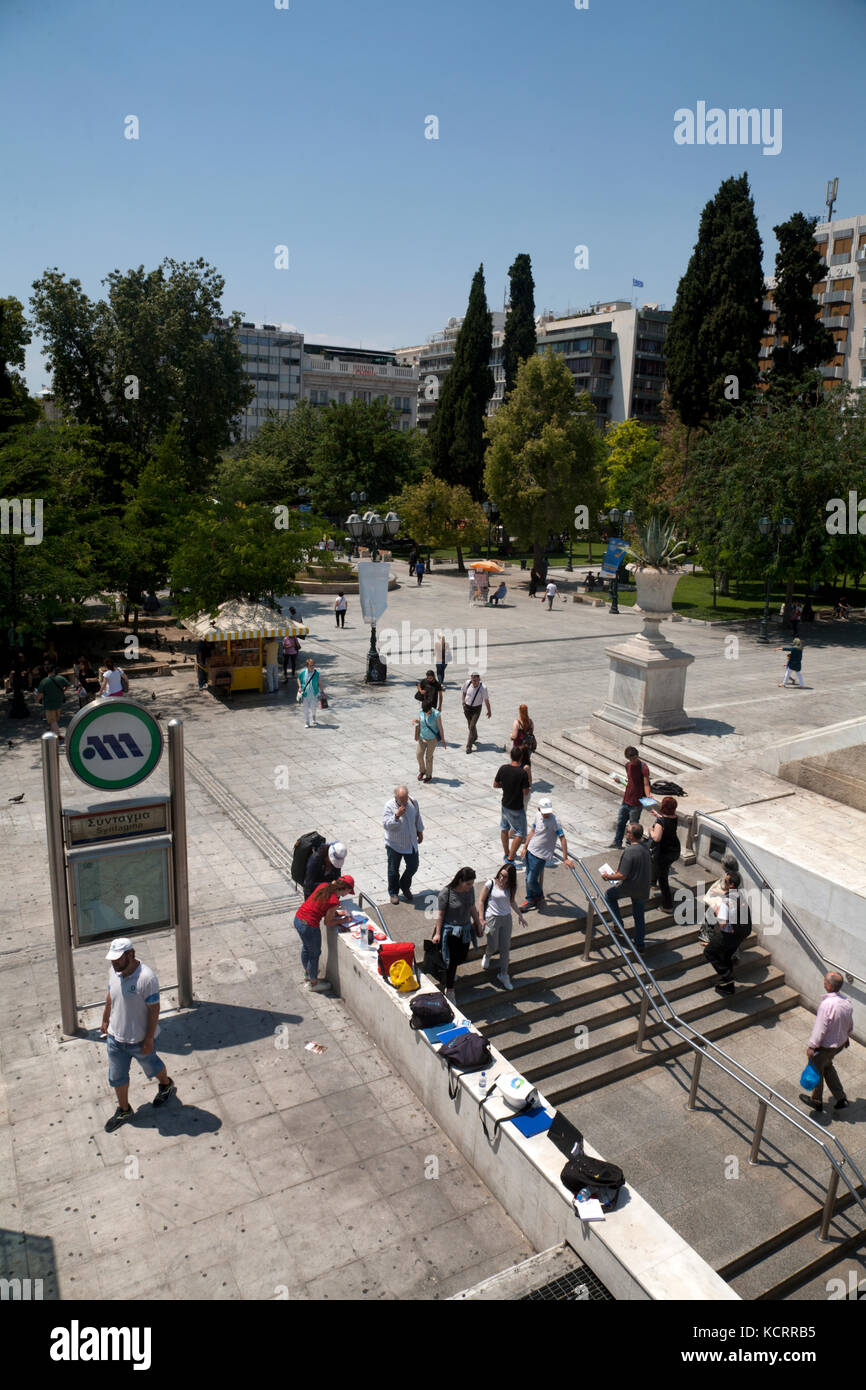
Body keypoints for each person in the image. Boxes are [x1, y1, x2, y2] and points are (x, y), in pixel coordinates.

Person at [99, 938, 177, 1133]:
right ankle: (124, 1109)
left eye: (118, 959)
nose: (114, 963)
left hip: (140, 1039)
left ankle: (166, 1084)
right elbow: (110, 996)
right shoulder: (114, 972)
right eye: (112, 959)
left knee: (153, 1066)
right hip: (115, 1038)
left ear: (130, 954)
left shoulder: (146, 978)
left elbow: (154, 1010)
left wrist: (149, 1039)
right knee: (117, 1076)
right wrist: (105, 1020)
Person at [800, 972, 853, 1114]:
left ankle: (816, 1101)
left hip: (825, 1047)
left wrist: (812, 1046)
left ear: (829, 985)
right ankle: (841, 1098)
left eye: (825, 980)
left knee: (818, 1069)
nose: (823, 982)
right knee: (828, 1066)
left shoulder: (826, 1005)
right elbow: (849, 1023)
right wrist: (846, 1036)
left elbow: (820, 1029)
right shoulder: (846, 1002)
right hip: (839, 1044)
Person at [293, 876, 355, 992]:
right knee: (314, 954)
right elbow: (328, 922)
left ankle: (308, 973)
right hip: (309, 926)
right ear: (344, 888)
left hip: (298, 918)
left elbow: (321, 906)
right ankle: (313, 983)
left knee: (306, 948)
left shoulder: (324, 886)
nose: (348, 894)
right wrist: (344, 920)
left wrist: (335, 912)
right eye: (348, 891)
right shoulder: (334, 901)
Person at [432, 867, 483, 1004]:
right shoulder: (446, 893)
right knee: (452, 961)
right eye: (468, 884)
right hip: (451, 932)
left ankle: (450, 975)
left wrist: (477, 923)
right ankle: (450, 990)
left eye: (472, 884)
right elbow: (440, 915)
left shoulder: (469, 890)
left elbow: (472, 907)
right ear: (460, 880)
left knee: (462, 956)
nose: (470, 886)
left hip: (465, 929)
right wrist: (437, 934)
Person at [601, 822, 652, 952]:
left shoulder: (630, 852)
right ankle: (640, 944)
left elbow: (622, 875)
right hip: (643, 887)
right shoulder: (645, 847)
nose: (626, 833)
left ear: (631, 836)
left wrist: (608, 876)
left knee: (609, 896)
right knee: (639, 916)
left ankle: (618, 925)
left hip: (630, 886)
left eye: (627, 831)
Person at [479, 864, 527, 991]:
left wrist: (520, 915)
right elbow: (481, 901)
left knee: (505, 947)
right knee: (493, 945)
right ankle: (488, 954)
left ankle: (504, 974)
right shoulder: (490, 884)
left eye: (505, 877)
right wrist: (481, 919)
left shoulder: (511, 887)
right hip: (491, 918)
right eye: (501, 875)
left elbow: (512, 901)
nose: (501, 878)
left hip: (506, 919)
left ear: (510, 878)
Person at [520, 798, 574, 911]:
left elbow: (562, 838)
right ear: (539, 809)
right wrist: (525, 847)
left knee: (531, 880)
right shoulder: (537, 815)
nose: (547, 814)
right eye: (544, 812)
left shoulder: (555, 821)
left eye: (548, 811)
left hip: (541, 856)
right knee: (528, 877)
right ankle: (530, 899)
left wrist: (565, 858)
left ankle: (539, 896)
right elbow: (533, 831)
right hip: (530, 851)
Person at [703, 869, 751, 994]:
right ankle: (729, 987)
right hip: (740, 935)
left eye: (725, 881)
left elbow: (723, 923)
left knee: (709, 952)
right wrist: (722, 892)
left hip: (728, 935)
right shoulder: (739, 895)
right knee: (726, 956)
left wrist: (718, 912)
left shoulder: (726, 902)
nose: (723, 882)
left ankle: (727, 975)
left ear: (732, 885)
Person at [383, 785, 424, 905]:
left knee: (413, 865)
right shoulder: (389, 806)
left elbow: (417, 817)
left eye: (406, 798)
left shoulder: (412, 802)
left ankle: (404, 885)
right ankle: (393, 893)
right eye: (402, 799)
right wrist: (396, 816)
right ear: (396, 797)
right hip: (394, 844)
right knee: (393, 869)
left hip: (410, 842)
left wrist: (420, 832)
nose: (405, 801)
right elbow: (386, 825)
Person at [494, 746, 531, 863]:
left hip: (505, 804)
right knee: (521, 833)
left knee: (504, 828)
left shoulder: (503, 768)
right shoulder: (522, 773)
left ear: (510, 756)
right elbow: (526, 792)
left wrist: (505, 786)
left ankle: (506, 853)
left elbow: (495, 784)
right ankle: (511, 857)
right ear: (521, 758)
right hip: (516, 807)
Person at [609, 746, 651, 849]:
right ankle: (617, 842)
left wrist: (648, 796)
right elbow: (630, 781)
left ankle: (630, 845)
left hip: (636, 803)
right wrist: (620, 781)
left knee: (633, 826)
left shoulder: (643, 768)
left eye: (634, 758)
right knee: (620, 822)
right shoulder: (627, 765)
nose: (632, 761)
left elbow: (646, 784)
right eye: (630, 759)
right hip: (626, 800)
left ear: (637, 756)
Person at [649, 796, 681, 913]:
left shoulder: (660, 822)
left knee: (663, 879)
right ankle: (652, 882)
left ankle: (667, 906)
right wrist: (658, 816)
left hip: (664, 852)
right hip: (674, 850)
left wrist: (651, 831)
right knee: (662, 869)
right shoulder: (674, 818)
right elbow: (666, 820)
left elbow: (656, 838)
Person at [701, 852, 740, 944]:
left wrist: (719, 892)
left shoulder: (734, 877)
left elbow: (733, 892)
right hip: (726, 900)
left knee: (710, 913)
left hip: (728, 902)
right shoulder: (730, 874)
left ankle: (708, 937)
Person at [415, 698, 446, 782]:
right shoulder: (422, 711)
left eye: (427, 712)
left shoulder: (436, 714)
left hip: (432, 739)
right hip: (422, 737)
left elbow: (440, 727)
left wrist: (443, 740)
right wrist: (416, 720)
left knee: (429, 757)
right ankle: (422, 771)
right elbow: (421, 720)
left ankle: (428, 775)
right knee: (419, 755)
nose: (426, 713)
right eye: (425, 712)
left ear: (431, 708)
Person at [36, 663, 71, 737]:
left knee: (52, 721)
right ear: (54, 670)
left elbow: (40, 694)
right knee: (55, 720)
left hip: (49, 704)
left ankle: (58, 735)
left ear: (46, 671)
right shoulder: (60, 678)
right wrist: (63, 690)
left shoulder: (44, 681)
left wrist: (37, 700)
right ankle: (53, 735)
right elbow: (68, 685)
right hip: (59, 702)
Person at [461, 671, 491, 754]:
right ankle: (475, 736)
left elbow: (486, 700)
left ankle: (468, 747)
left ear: (479, 679)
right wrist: (463, 702)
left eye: (476, 680)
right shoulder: (467, 683)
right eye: (473, 680)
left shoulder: (483, 688)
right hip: (467, 708)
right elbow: (463, 692)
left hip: (476, 709)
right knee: (470, 725)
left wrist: (489, 711)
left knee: (472, 726)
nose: (474, 682)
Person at [298, 657, 322, 727]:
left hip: (314, 694)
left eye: (313, 665)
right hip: (305, 694)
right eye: (310, 665)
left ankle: (314, 717)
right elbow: (298, 678)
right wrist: (299, 687)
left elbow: (320, 683)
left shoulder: (317, 673)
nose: (312, 667)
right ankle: (307, 722)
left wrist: (322, 692)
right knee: (306, 708)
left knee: (313, 708)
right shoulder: (303, 672)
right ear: (307, 666)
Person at [7, 653, 29, 718]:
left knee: (19, 696)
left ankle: (18, 712)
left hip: (19, 681)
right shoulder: (15, 664)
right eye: (21, 657)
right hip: (17, 681)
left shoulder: (22, 664)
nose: (23, 658)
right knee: (18, 696)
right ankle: (19, 712)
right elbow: (12, 672)